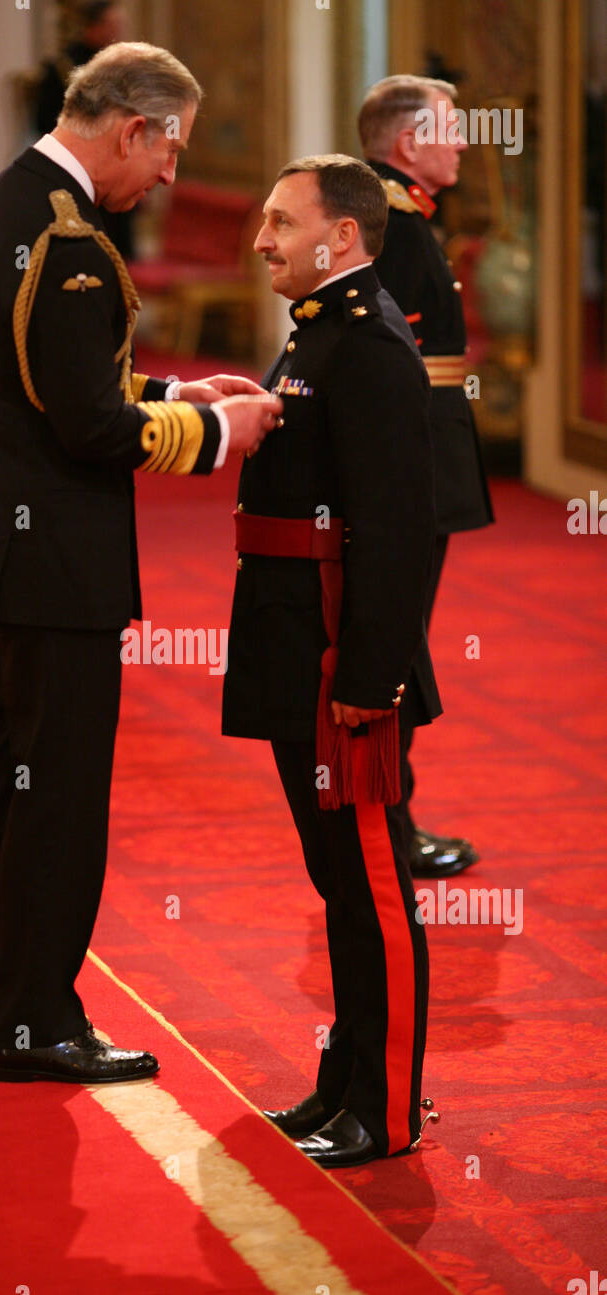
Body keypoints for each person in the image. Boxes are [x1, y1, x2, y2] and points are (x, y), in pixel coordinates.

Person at [0, 42, 281, 1085]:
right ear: (132, 127)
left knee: (4, 782)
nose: (169, 171)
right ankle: (36, 1022)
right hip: (53, 572)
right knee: (58, 798)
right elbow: (85, 423)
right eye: (167, 146)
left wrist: (175, 394)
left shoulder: (3, 207)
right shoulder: (67, 241)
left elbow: (56, 377)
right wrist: (219, 439)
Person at [221, 155, 441, 1167]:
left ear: (340, 236)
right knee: (336, 881)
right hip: (292, 638)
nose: (261, 238)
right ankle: (343, 1081)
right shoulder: (318, 332)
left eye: (280, 221)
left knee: (369, 888)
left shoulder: (368, 345)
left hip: (336, 662)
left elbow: (401, 530)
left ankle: (385, 1108)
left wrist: (365, 679)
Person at [358, 75, 495, 878]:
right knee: (397, 650)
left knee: (399, 645)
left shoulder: (395, 211)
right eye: (452, 129)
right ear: (409, 144)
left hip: (418, 449)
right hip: (412, 457)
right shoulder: (397, 222)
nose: (466, 143)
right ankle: (392, 828)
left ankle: (389, 820)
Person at [34, 1, 134, 260]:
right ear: (95, 26)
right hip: (75, 175)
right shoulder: (63, 68)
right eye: (114, 25)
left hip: (116, 172)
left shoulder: (122, 69)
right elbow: (45, 122)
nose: (119, 32)